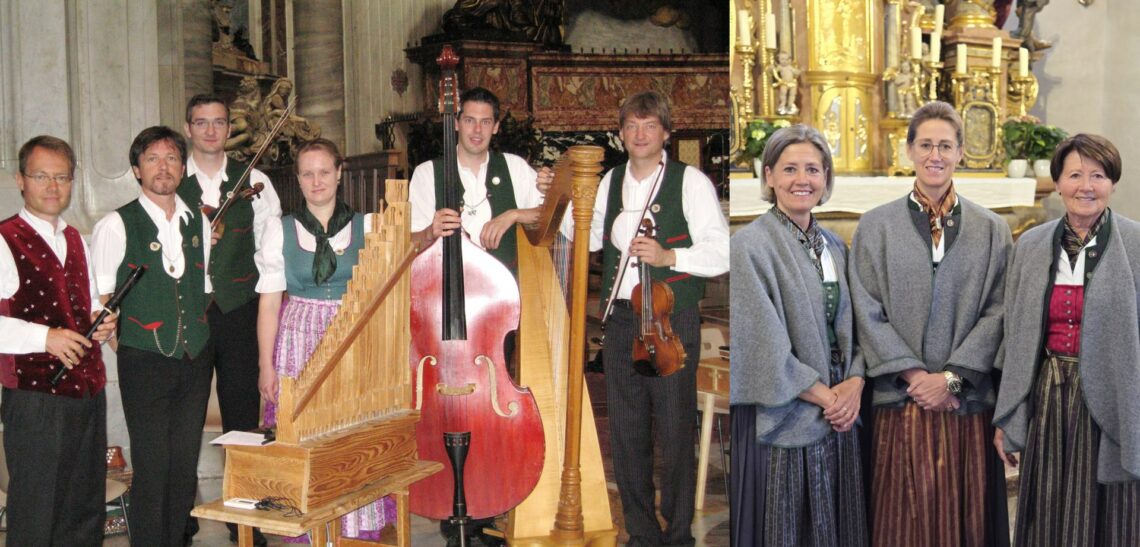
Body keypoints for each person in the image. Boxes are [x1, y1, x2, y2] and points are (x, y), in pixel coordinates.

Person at [848, 101, 1010, 547]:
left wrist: (953, 379)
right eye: (925, 145)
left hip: (966, 404)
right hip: (901, 399)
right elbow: (866, 308)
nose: (934, 155)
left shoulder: (992, 228)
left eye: (945, 145)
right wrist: (916, 376)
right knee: (900, 519)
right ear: (908, 151)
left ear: (960, 153)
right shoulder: (875, 226)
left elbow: (999, 310)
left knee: (968, 518)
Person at [590, 90, 729, 546]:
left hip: (670, 323)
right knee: (628, 436)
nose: (640, 134)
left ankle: (678, 536)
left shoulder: (690, 183)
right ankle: (642, 534)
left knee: (672, 432)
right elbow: (585, 233)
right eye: (631, 126)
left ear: (666, 133)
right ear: (621, 133)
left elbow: (722, 250)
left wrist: (670, 253)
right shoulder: (610, 182)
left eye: (650, 126)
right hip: (623, 322)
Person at [994, 134, 1140, 546]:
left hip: (1112, 396)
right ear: (1057, 182)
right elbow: (1015, 335)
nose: (1086, 186)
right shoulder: (1033, 244)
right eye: (1074, 174)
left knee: (1111, 510)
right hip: (1049, 395)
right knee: (1049, 507)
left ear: (1112, 183)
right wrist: (1010, 414)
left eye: (1098, 175)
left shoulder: (1135, 243)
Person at [730, 125, 867, 546]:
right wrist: (828, 398)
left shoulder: (834, 245)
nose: (801, 180)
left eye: (813, 169)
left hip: (841, 411)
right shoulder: (749, 246)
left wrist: (856, 384)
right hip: (788, 411)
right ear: (768, 176)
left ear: (826, 178)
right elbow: (761, 344)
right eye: (789, 169)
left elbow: (859, 326)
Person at [256, 138, 397, 541]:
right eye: (307, 173)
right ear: (297, 179)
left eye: (324, 171)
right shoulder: (278, 230)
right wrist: (266, 365)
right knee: (304, 440)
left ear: (340, 173)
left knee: (351, 439)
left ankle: (354, 530)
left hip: (352, 339)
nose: (316, 180)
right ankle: (310, 532)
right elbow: (269, 305)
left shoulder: (369, 226)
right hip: (299, 337)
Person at [92, 126, 214, 547]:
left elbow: (203, 288)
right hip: (143, 359)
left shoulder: (197, 219)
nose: (163, 167)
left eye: (172, 158)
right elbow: (103, 300)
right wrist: (126, 347)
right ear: (136, 169)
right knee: (152, 463)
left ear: (183, 166)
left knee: (184, 464)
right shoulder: (116, 224)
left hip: (195, 357)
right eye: (152, 159)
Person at [0, 136, 115, 546]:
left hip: (87, 392)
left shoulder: (77, 240)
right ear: (20, 180)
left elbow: (85, 307)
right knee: (36, 511)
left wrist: (102, 320)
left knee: (84, 509)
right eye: (41, 176)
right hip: (36, 398)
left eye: (62, 177)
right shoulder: (4, 239)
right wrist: (44, 337)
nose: (52, 186)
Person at [179, 94, 283, 544]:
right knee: (183, 417)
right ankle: (179, 516)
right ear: (188, 129)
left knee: (243, 421)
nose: (209, 131)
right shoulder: (169, 181)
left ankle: (247, 523)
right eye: (201, 123)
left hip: (239, 310)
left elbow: (270, 250)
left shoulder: (254, 181)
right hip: (190, 315)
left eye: (218, 123)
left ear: (228, 129)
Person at [409, 86, 553, 274]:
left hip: (505, 289)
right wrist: (430, 232)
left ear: (495, 127)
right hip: (444, 290)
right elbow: (411, 243)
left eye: (485, 122)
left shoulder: (514, 166)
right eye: (469, 121)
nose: (477, 130)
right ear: (456, 123)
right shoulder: (426, 173)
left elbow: (550, 216)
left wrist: (514, 214)